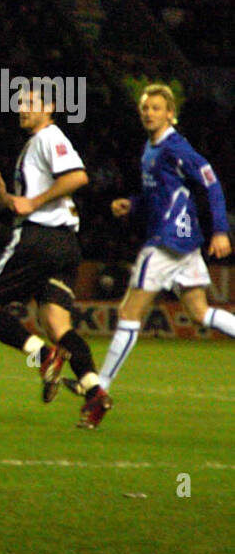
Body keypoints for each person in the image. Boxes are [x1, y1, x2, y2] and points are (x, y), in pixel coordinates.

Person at [0, 87, 109, 426]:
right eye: (19, 103)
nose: (22, 108)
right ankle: (95, 393)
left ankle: (44, 356)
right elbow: (30, 201)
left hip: (39, 240)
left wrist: (32, 202)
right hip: (64, 245)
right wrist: (6, 199)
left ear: (50, 108)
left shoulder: (49, 137)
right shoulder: (35, 144)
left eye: (30, 103)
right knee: (58, 325)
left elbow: (77, 176)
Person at [92, 84, 233, 410]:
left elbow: (210, 181)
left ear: (170, 113)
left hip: (166, 242)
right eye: (145, 107)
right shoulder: (151, 148)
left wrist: (222, 230)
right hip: (184, 242)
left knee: (129, 312)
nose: (149, 113)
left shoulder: (174, 146)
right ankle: (100, 387)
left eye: (156, 107)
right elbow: (161, 196)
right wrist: (132, 204)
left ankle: (100, 388)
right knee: (199, 313)